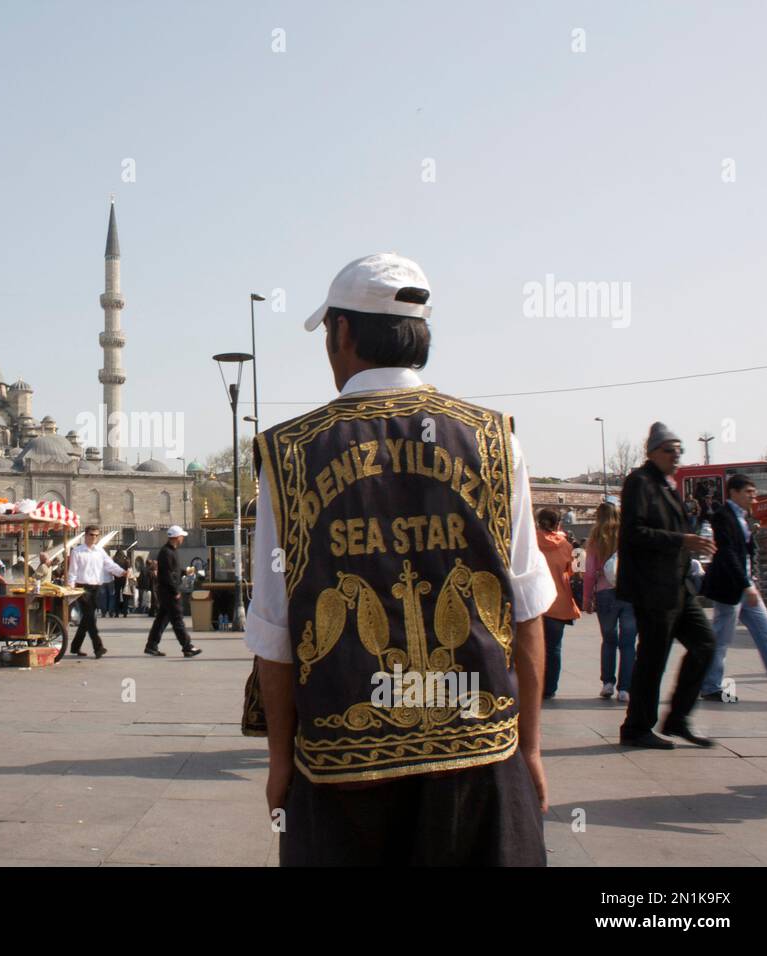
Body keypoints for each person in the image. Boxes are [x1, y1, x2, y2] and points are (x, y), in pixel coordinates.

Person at [246, 253, 554, 866]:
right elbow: (526, 610)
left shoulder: (290, 454)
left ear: (343, 333)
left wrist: (281, 761)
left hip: (342, 768)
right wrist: (532, 748)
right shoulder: (493, 439)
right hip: (478, 754)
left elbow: (276, 631)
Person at [616, 423, 717, 749]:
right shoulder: (639, 482)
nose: (677, 456)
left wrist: (688, 543)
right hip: (653, 589)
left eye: (679, 450)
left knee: (705, 645)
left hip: (678, 587)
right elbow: (634, 532)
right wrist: (682, 540)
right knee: (653, 659)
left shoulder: (668, 486)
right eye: (670, 450)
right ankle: (636, 727)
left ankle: (678, 718)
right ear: (653, 452)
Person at [700, 475, 767, 701]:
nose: (752, 496)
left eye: (753, 492)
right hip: (731, 589)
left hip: (747, 588)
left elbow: (745, 552)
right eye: (748, 492)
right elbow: (727, 554)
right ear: (734, 492)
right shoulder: (723, 517)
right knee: (722, 639)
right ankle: (710, 686)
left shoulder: (744, 517)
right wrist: (746, 585)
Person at [583, 500, 637, 702]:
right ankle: (625, 688)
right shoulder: (629, 536)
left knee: (608, 640)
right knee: (628, 643)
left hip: (605, 593)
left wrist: (587, 598)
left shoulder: (596, 538)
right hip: (629, 593)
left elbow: (589, 573)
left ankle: (607, 683)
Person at [535, 508, 579, 699]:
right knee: (554, 648)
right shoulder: (566, 546)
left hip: (535, 603)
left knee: (533, 648)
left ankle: (533, 685)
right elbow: (571, 573)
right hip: (558, 602)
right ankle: (550, 687)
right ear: (558, 524)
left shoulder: (530, 542)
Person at [64, 525, 125, 658]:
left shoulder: (100, 551)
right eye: (91, 535)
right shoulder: (77, 551)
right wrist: (71, 587)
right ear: (85, 535)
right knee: (90, 618)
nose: (94, 537)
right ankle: (98, 647)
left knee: (87, 618)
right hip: (82, 588)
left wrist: (122, 572)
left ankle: (75, 646)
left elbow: (110, 565)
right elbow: (72, 572)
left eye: (96, 535)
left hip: (96, 588)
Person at [145, 526, 202, 657]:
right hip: (168, 592)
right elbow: (166, 574)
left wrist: (184, 571)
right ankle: (187, 646)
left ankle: (151, 645)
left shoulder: (170, 551)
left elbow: (173, 570)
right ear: (176, 538)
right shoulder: (166, 552)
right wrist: (175, 590)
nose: (183, 538)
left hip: (166, 591)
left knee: (161, 619)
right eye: (181, 536)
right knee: (177, 619)